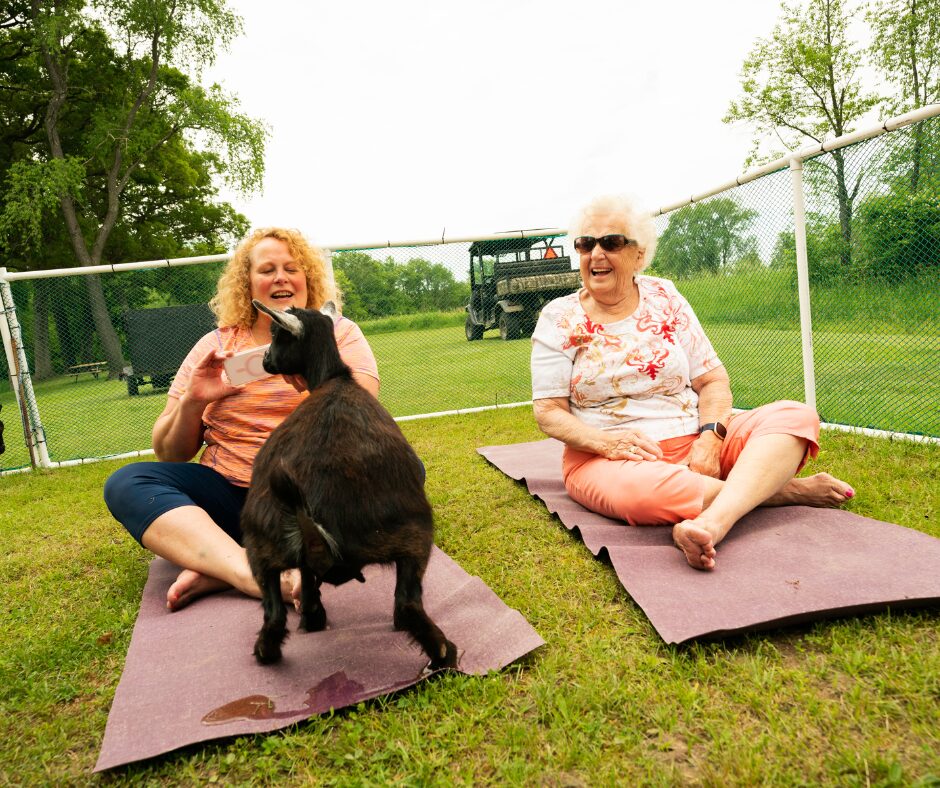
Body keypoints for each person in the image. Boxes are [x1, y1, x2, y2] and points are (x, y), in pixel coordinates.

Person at [531, 195, 855, 570]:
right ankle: (779, 491)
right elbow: (548, 412)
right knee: (640, 494)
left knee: (795, 417)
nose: (596, 254)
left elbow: (713, 380)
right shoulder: (559, 318)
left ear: (639, 254)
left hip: (692, 433)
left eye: (611, 242)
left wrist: (710, 438)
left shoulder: (664, 296)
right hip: (608, 456)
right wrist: (608, 442)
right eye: (586, 244)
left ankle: (713, 521)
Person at [104, 227, 380, 608]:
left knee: (403, 473)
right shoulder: (214, 346)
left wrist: (312, 381)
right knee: (127, 483)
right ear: (247, 285)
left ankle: (219, 565)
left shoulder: (339, 334)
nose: (281, 277)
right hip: (233, 498)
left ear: (307, 279)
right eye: (267, 270)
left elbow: (365, 417)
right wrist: (193, 401)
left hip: (315, 497)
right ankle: (250, 573)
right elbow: (169, 451)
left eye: (291, 268)